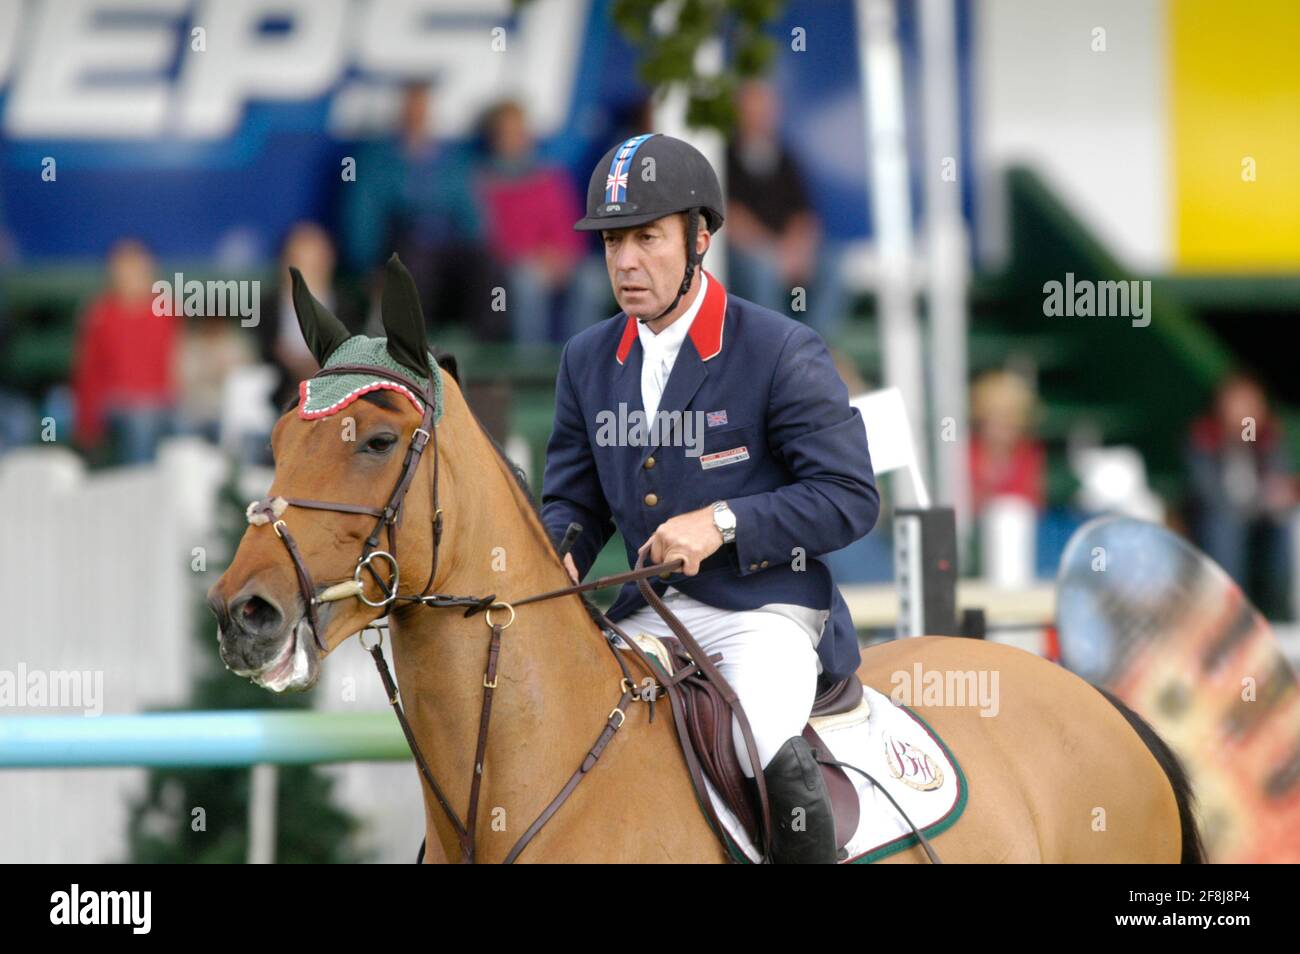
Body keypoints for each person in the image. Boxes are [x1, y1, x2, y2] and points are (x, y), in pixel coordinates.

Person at [541, 133, 879, 863]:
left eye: (646, 239)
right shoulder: (586, 359)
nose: (625, 262)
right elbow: (574, 501)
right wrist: (560, 554)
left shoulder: (778, 350)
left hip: (766, 612)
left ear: (699, 238)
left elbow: (851, 497)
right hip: (652, 611)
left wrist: (724, 521)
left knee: (759, 735)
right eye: (611, 242)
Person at [725, 80, 846, 338]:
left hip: (784, 253)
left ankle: (815, 343)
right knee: (763, 268)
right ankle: (774, 344)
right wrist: (774, 252)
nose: (761, 116)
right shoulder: (725, 157)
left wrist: (796, 250)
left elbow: (804, 215)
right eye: (753, 109)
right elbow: (732, 219)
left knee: (833, 263)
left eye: (766, 109)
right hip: (747, 254)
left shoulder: (786, 157)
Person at [1186, 373, 1295, 616]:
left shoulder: (1268, 437)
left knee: (1286, 522)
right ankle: (1230, 611)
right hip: (1219, 513)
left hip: (1261, 514)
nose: (1244, 410)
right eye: (1237, 402)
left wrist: (1274, 498)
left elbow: (1278, 479)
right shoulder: (1204, 436)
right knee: (1224, 525)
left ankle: (1279, 610)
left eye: (1251, 403)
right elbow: (1206, 491)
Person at [71, 239, 178, 464]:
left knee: (187, 425)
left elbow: (176, 365)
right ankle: (140, 491)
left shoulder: (167, 310)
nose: (130, 274)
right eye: (123, 266)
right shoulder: (99, 313)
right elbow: (87, 371)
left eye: (137, 266)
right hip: (115, 402)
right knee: (141, 421)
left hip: (163, 402)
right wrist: (87, 425)